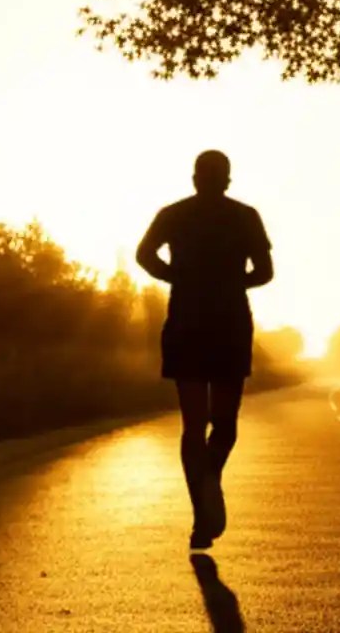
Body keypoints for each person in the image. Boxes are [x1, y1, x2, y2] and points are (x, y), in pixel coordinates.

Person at [136, 150, 274, 550]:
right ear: (228, 180)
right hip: (229, 325)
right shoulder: (245, 216)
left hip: (187, 324)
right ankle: (210, 481)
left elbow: (144, 255)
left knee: (193, 427)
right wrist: (231, 284)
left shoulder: (173, 214)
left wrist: (177, 277)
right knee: (224, 425)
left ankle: (201, 513)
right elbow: (265, 272)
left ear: (195, 178)